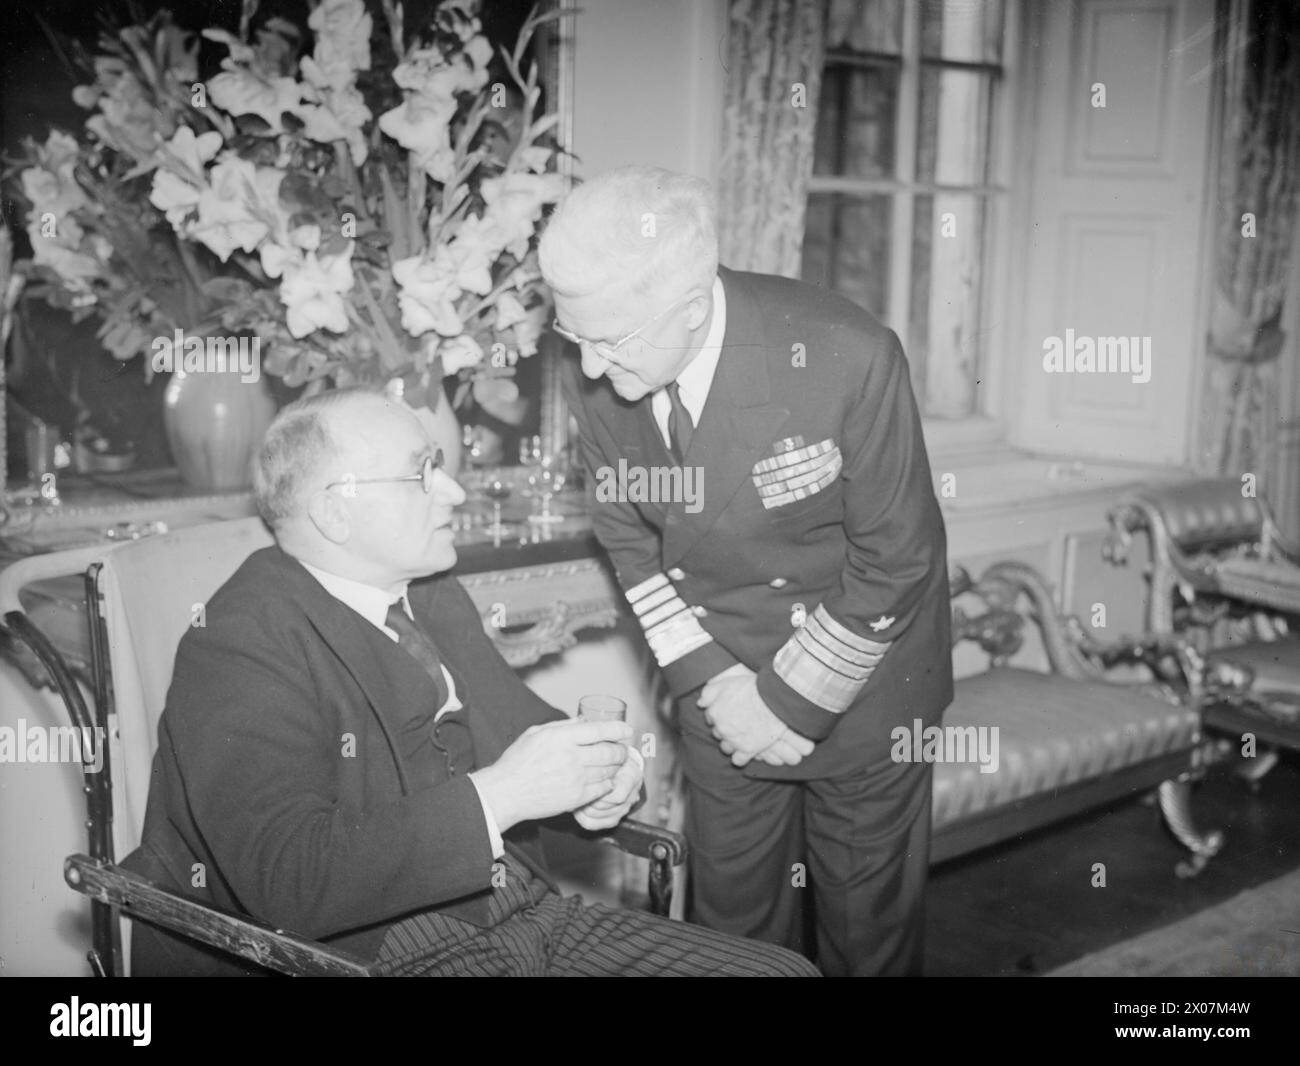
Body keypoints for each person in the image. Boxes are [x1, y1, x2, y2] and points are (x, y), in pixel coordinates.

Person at [122, 388, 817, 977]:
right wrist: (507, 791)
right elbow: (288, 879)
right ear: (336, 511)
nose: (455, 492)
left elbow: (523, 725)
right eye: (422, 473)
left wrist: (609, 774)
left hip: (517, 913)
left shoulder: (429, 595)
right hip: (363, 954)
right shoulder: (242, 639)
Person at [539, 166, 954, 976]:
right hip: (721, 688)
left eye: (608, 344)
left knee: (866, 937)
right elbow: (631, 543)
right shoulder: (609, 351)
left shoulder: (843, 356)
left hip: (866, 687)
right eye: (572, 338)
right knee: (728, 935)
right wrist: (716, 683)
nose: (587, 371)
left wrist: (789, 702)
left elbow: (897, 557)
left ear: (691, 309)